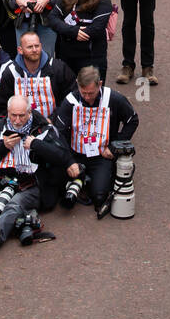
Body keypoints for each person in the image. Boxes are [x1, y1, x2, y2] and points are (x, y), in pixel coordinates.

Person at [0, 93, 71, 253]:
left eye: (21, 116)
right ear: (7, 112)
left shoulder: (43, 129)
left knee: (14, 203)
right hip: (2, 182)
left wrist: (37, 144)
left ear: (30, 112)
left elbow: (62, 156)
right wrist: (2, 146)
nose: (17, 120)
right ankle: (23, 218)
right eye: (13, 115)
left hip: (31, 184)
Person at [53, 66, 139, 218]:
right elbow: (58, 133)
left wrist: (114, 147)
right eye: (83, 92)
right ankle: (80, 180)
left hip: (101, 155)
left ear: (100, 84)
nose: (87, 97)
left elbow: (132, 120)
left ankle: (90, 182)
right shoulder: (70, 101)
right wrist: (69, 161)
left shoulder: (113, 98)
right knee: (55, 190)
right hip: (76, 153)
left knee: (99, 197)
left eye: (91, 93)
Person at [47, 0, 114, 80]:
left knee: (91, 95)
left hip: (92, 57)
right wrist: (74, 32)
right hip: (67, 55)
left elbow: (97, 28)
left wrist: (68, 30)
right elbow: (52, 18)